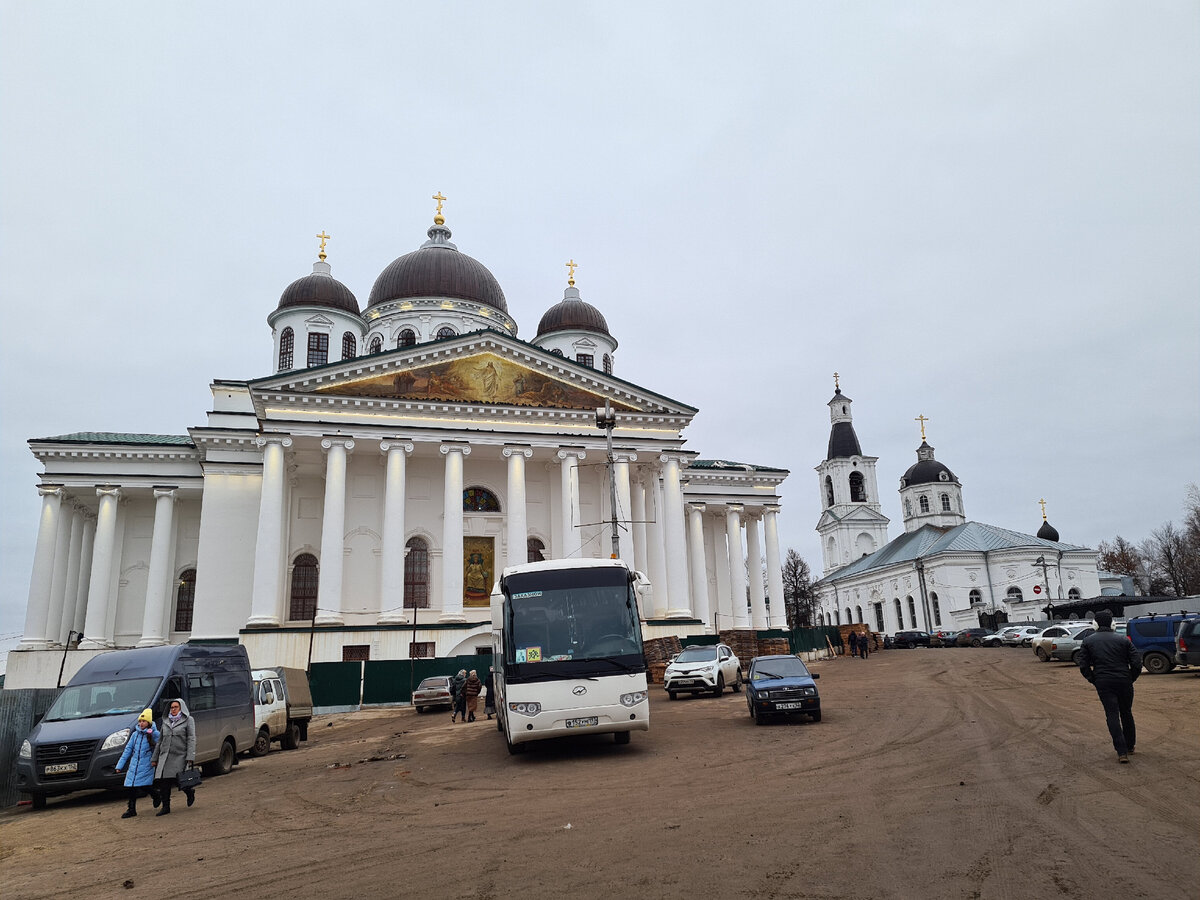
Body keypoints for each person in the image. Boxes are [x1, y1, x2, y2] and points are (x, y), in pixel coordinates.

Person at [1077, 610, 1142, 763]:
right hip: (1124, 681)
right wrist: (1130, 678)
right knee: (1126, 712)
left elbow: (1083, 666)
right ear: (1112, 623)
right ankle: (1130, 745)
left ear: (1095, 624)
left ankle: (1121, 752)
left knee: (1112, 714)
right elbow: (1137, 663)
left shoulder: (1087, 641)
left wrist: (1093, 679)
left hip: (1103, 682)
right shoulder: (1124, 640)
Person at [151, 698, 196, 814]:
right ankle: (166, 807)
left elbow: (191, 738)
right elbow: (160, 741)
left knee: (180, 780)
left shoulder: (188, 720)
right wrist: (154, 758)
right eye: (171, 707)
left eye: (176, 707)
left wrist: (190, 756)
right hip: (165, 757)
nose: (173, 709)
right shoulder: (166, 721)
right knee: (164, 783)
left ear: (181, 708)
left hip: (180, 756)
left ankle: (189, 792)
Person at [114, 708, 160, 818]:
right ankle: (131, 809)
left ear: (148, 722)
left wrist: (155, 760)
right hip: (134, 765)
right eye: (140, 721)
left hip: (147, 764)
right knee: (131, 787)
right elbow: (128, 750)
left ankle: (156, 795)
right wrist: (119, 765)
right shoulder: (135, 735)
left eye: (143, 721)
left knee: (144, 785)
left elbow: (159, 748)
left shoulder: (154, 734)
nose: (141, 723)